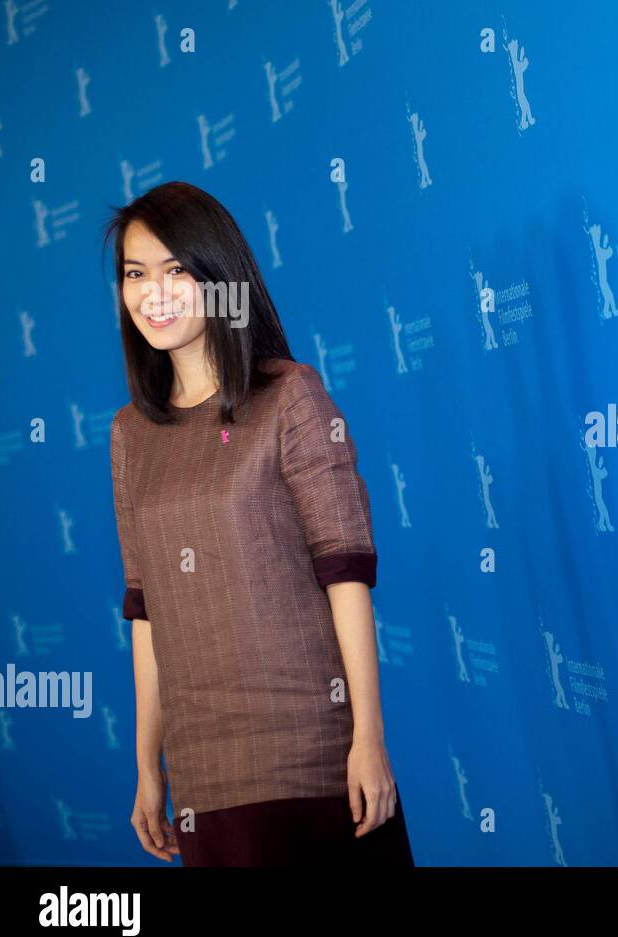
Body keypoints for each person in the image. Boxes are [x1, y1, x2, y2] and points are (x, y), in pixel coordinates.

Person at [103, 181, 413, 866]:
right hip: (204, 778)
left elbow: (345, 571)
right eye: (134, 274)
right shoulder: (130, 436)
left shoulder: (289, 397)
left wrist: (368, 736)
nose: (153, 293)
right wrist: (147, 766)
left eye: (176, 270)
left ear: (219, 277)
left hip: (310, 759)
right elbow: (148, 611)